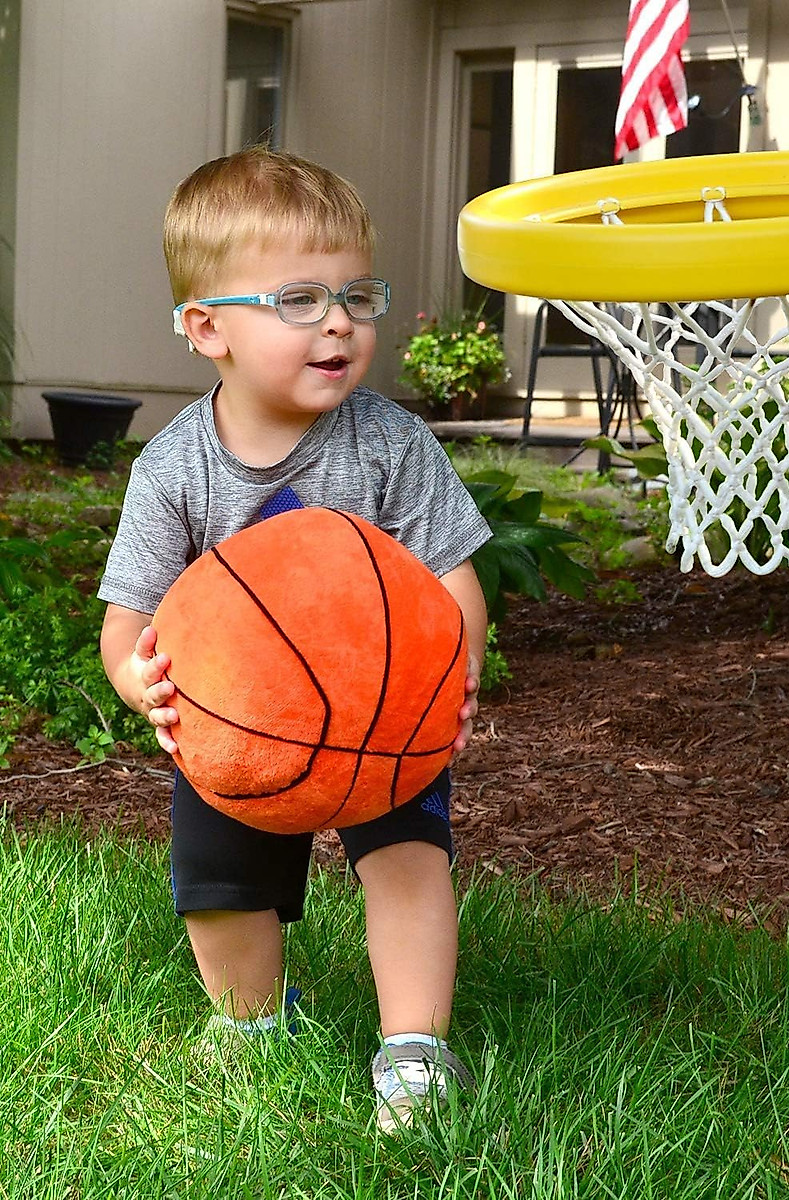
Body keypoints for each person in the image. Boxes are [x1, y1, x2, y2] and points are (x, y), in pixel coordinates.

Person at [97, 145, 491, 1132]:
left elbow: (453, 577)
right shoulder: (175, 469)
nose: (340, 323)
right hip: (234, 729)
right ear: (206, 329)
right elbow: (127, 623)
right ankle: (253, 1022)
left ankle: (413, 1046)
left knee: (409, 862)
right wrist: (143, 684)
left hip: (389, 715)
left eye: (357, 295)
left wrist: (463, 666)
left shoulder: (393, 444)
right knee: (220, 890)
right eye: (301, 300)